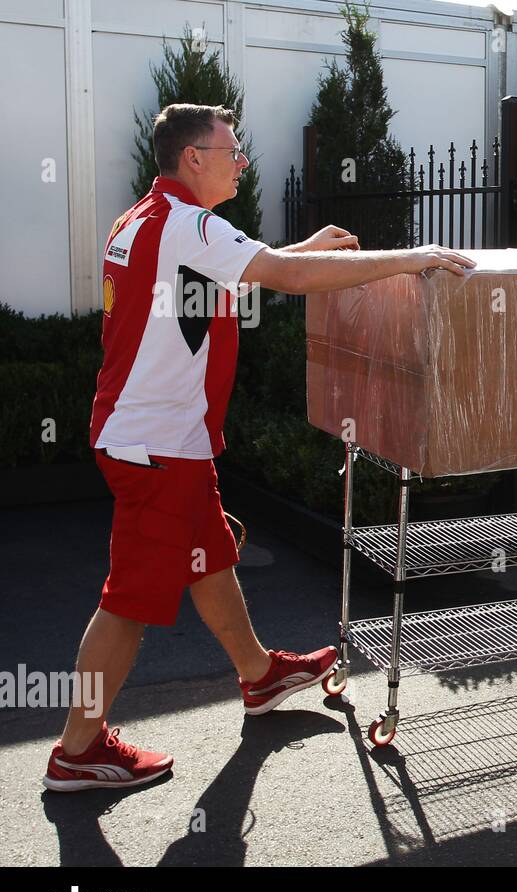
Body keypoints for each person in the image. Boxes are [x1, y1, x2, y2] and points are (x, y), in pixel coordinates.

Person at [43, 103, 475, 792]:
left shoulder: (149, 219)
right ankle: (77, 748)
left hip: (156, 439)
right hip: (156, 448)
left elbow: (249, 269)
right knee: (128, 601)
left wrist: (299, 252)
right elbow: (284, 278)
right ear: (193, 159)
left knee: (208, 555)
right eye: (230, 149)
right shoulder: (189, 225)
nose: (241, 160)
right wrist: (417, 257)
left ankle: (258, 676)